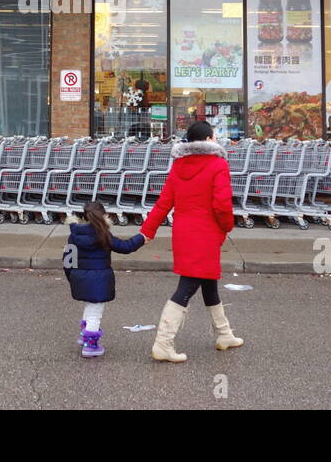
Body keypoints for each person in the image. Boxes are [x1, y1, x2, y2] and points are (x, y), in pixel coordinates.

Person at [140, 121, 243, 363]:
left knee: (209, 284)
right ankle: (163, 343)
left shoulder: (178, 166)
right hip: (206, 235)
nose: (216, 139)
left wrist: (147, 231)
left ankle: (224, 334)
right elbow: (222, 203)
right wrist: (227, 225)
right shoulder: (218, 164)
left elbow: (164, 202)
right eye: (214, 135)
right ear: (208, 140)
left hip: (184, 233)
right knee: (186, 289)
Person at [64, 200, 146, 358]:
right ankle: (90, 346)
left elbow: (68, 260)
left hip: (80, 277)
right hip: (99, 280)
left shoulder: (73, 235)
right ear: (103, 216)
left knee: (90, 306)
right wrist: (142, 238)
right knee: (95, 312)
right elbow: (126, 247)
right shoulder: (103, 235)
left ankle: (84, 335)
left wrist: (73, 278)